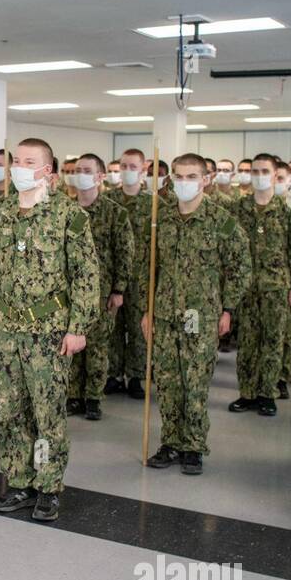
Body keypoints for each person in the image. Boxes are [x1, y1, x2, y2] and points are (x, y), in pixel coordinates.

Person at [0, 138, 98, 522]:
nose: (18, 167)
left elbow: (86, 274)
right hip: (6, 329)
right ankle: (19, 481)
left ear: (47, 171)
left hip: (48, 331)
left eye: (28, 162)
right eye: (16, 160)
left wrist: (78, 326)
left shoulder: (68, 215)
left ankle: (48, 486)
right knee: (10, 411)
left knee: (47, 414)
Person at [143, 154, 251, 475]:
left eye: (191, 176)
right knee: (167, 381)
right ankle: (170, 442)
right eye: (178, 176)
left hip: (201, 316)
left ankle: (193, 446)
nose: (184, 182)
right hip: (164, 314)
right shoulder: (159, 218)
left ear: (205, 180)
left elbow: (241, 267)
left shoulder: (222, 221)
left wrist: (228, 308)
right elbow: (148, 269)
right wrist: (147, 310)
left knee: (195, 381)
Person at [228, 153, 291, 417]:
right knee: (247, 342)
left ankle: (267, 393)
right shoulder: (238, 208)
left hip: (276, 286)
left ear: (275, 175)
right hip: (246, 287)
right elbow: (229, 249)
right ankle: (247, 392)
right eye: (256, 171)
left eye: (265, 172)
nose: (259, 176)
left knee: (273, 342)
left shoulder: (288, 211)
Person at [66, 153, 133, 419]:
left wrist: (118, 290)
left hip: (102, 293)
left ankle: (93, 397)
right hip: (69, 291)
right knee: (70, 345)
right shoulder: (65, 210)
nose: (80, 174)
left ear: (99, 176)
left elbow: (124, 253)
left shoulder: (115, 213)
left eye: (86, 170)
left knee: (97, 347)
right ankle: (73, 396)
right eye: (77, 169)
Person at [106, 148, 161, 399]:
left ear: (144, 169)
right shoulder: (109, 201)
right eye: (123, 166)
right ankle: (113, 373)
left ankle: (137, 375)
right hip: (113, 276)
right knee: (113, 327)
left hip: (142, 278)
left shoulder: (155, 204)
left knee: (140, 329)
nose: (127, 171)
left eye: (132, 167)